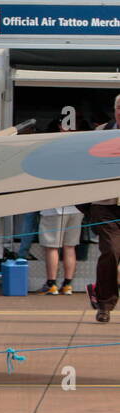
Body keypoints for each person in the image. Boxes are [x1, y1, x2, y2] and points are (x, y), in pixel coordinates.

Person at [88, 94, 120, 322]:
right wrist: (87, 207)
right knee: (111, 252)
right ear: (115, 110)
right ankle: (105, 304)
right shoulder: (99, 133)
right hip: (105, 205)